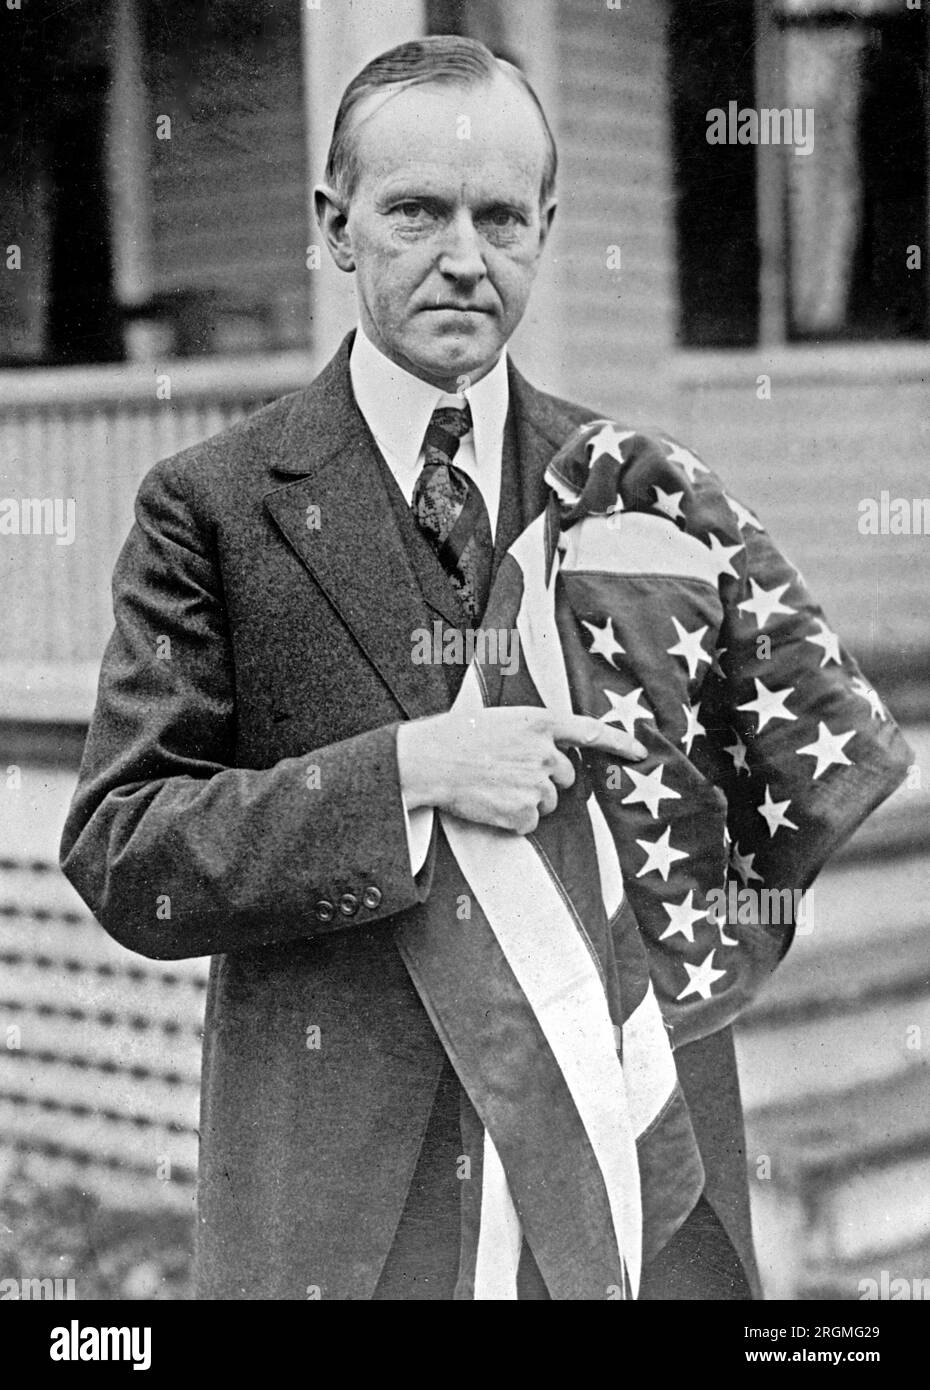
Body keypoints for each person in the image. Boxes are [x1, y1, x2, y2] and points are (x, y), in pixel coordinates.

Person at [60, 36, 910, 1301]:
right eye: (417, 211)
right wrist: (407, 773)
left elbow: (760, 803)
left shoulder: (641, 492)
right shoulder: (217, 504)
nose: (465, 255)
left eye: (502, 216)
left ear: (548, 228)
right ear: (336, 227)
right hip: (355, 1201)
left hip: (625, 1158)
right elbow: (126, 849)